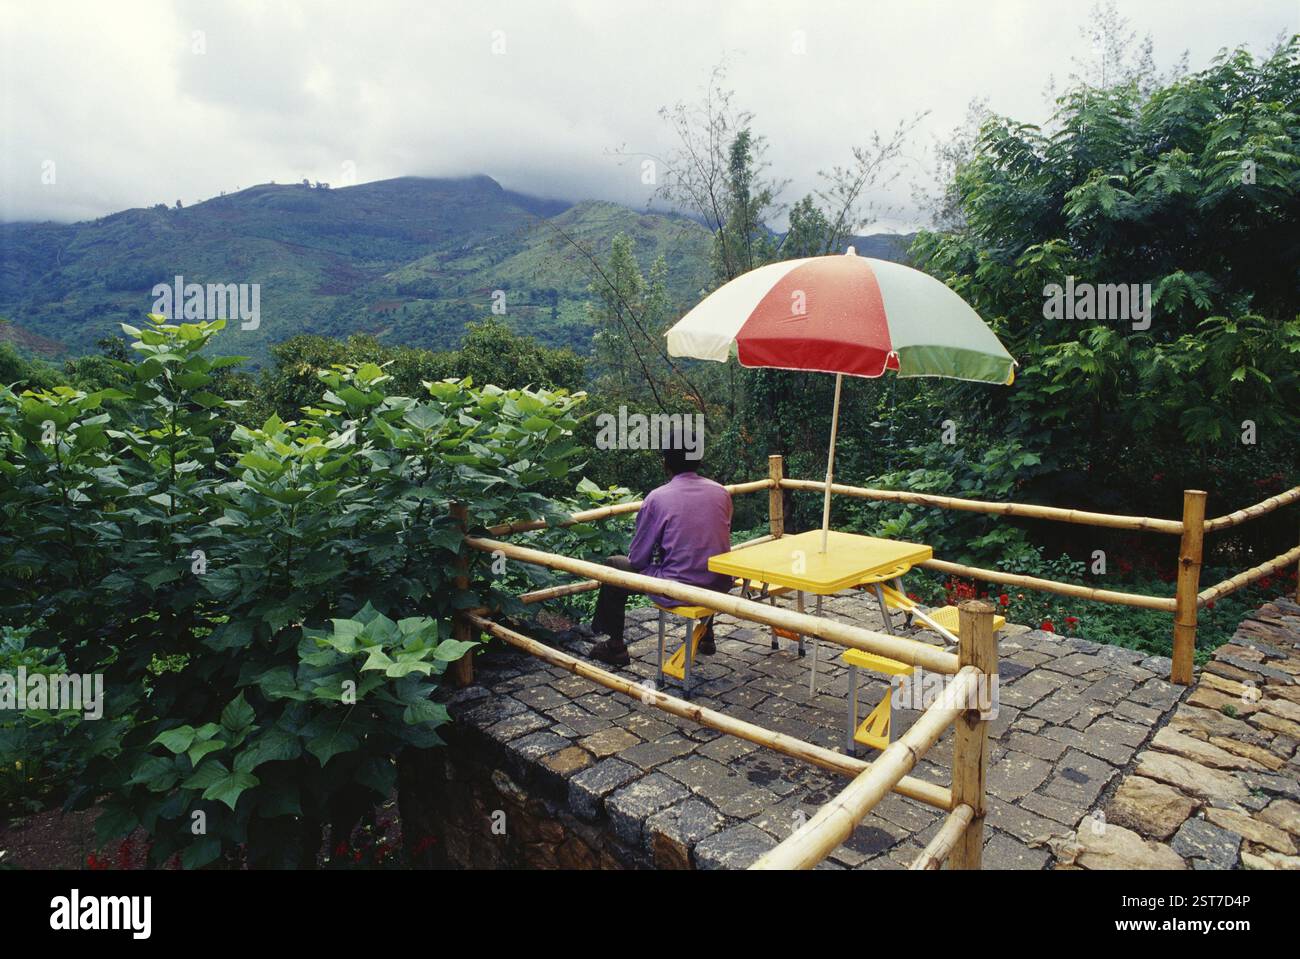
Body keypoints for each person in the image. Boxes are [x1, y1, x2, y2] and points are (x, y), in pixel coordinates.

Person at [583, 443, 733, 667]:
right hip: (719, 583)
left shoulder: (657, 499)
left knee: (614, 564)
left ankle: (615, 646)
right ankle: (706, 634)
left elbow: (637, 559)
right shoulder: (721, 492)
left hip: (679, 589)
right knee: (700, 557)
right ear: (699, 461)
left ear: (665, 463)